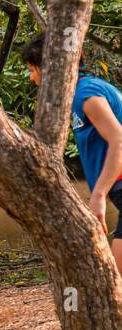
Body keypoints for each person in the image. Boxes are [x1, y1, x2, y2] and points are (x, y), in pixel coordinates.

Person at [22, 32, 122, 272]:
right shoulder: (88, 89)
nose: (31, 77)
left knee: (116, 281)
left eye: (32, 69)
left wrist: (98, 196)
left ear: (50, 68)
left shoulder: (85, 95)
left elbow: (119, 139)